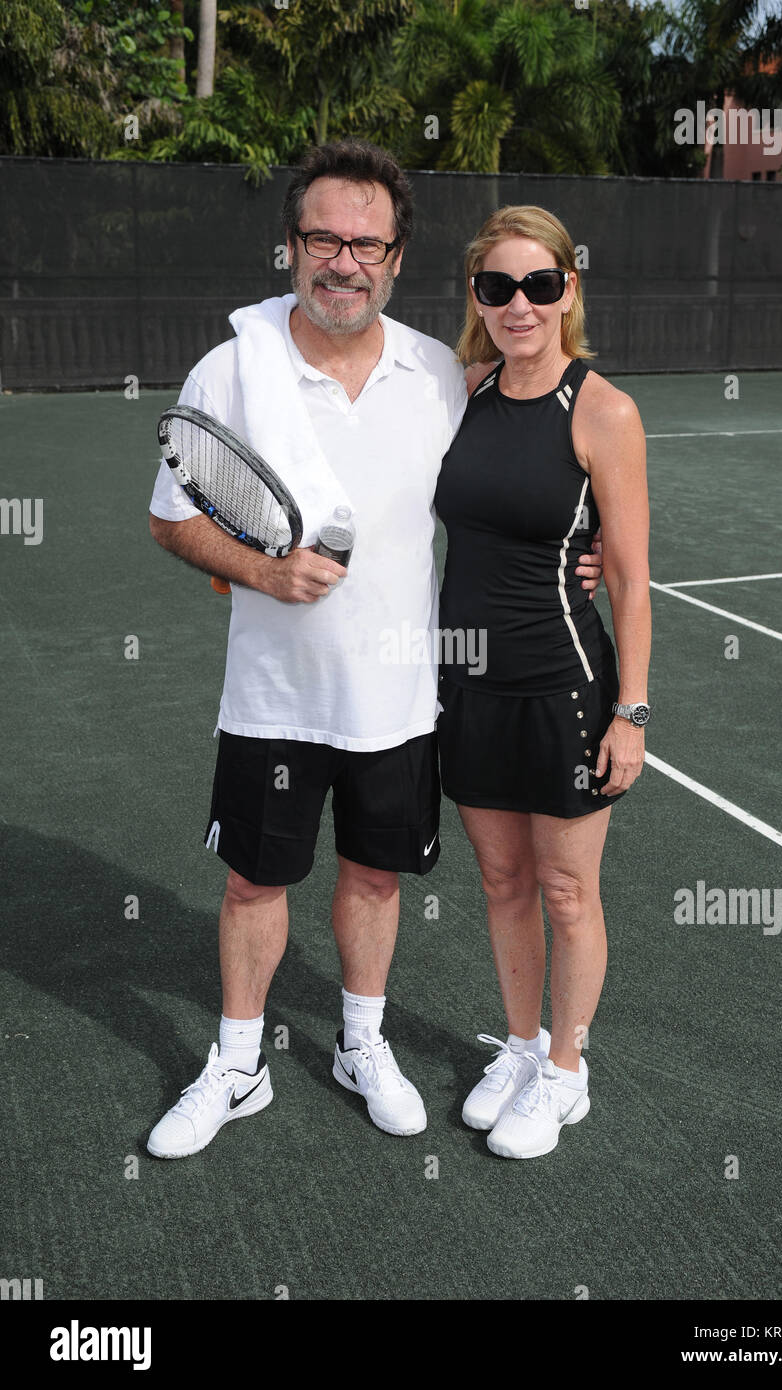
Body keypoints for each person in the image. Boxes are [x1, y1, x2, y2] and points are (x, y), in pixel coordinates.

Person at [145, 141, 606, 1158]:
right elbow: (172, 519)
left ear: (395, 259)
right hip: (269, 697)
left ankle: (362, 1043)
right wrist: (262, 571)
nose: (341, 261)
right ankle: (236, 1063)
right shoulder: (230, 368)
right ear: (290, 246)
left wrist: (588, 539)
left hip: (400, 699)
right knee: (252, 885)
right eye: (322, 238)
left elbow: (523, 462)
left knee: (374, 877)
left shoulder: (440, 375)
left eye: (365, 242)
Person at [434, 205, 650, 1159]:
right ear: (477, 299)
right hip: (467, 683)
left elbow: (634, 579)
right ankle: (520, 1047)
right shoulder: (463, 387)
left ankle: (567, 1068)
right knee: (501, 878)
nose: (518, 305)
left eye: (538, 285)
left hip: (564, 684)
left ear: (569, 290)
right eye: (496, 287)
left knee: (567, 890)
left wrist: (631, 713)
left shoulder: (603, 410)